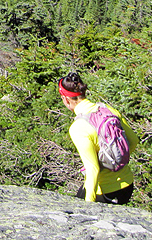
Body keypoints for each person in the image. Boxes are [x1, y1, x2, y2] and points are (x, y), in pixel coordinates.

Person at [58, 71, 139, 204]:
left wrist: (89, 204)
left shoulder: (78, 127)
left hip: (107, 191)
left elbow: (92, 169)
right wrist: (117, 160)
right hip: (128, 185)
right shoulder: (108, 110)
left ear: (66, 100)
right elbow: (134, 141)